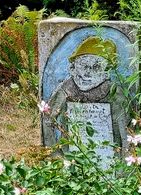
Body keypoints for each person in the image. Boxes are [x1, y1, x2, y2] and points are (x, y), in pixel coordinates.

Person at [42, 35, 128, 166]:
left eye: (96, 67)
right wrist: (56, 156)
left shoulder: (114, 92)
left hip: (109, 161)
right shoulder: (66, 88)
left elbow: (127, 131)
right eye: (83, 65)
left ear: (107, 72)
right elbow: (47, 119)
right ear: (72, 68)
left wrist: (124, 166)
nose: (88, 73)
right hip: (71, 159)